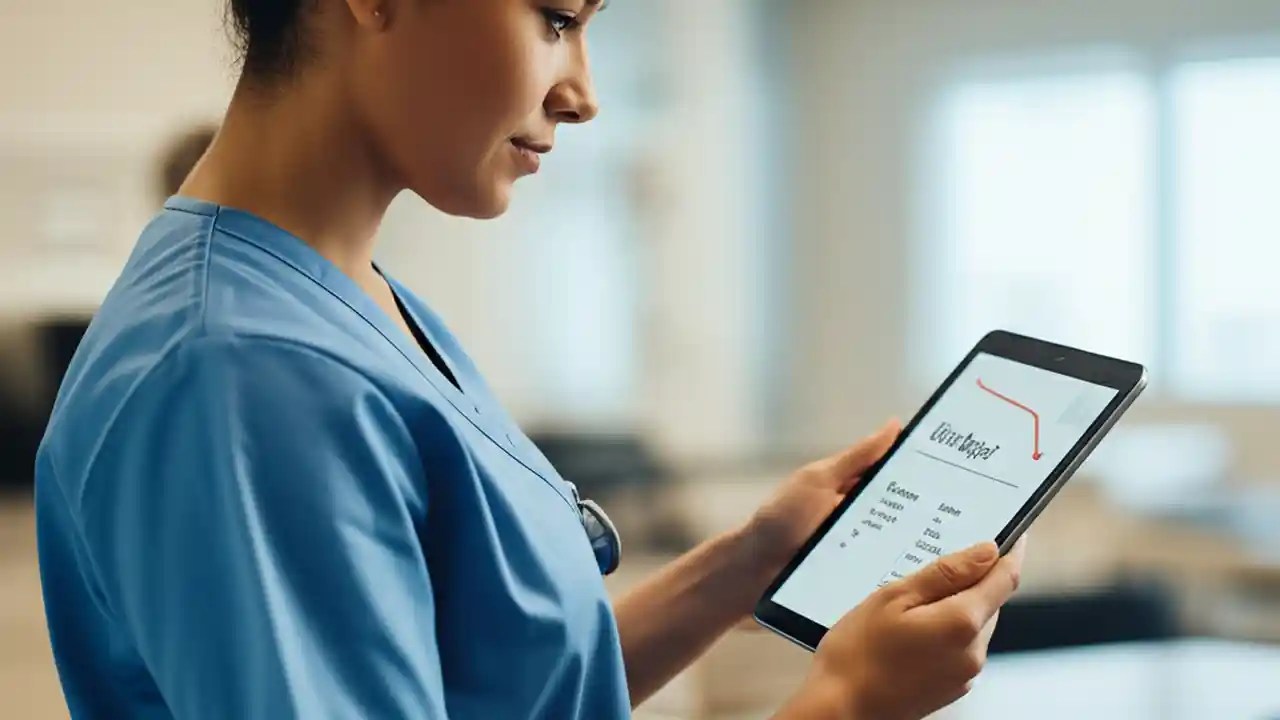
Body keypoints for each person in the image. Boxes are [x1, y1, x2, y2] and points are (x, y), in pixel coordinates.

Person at [34, 1, 1025, 718]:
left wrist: (753, 558)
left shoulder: (343, 301)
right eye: (555, 18)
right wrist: (849, 701)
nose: (583, 93)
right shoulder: (243, 374)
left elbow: (506, 692)